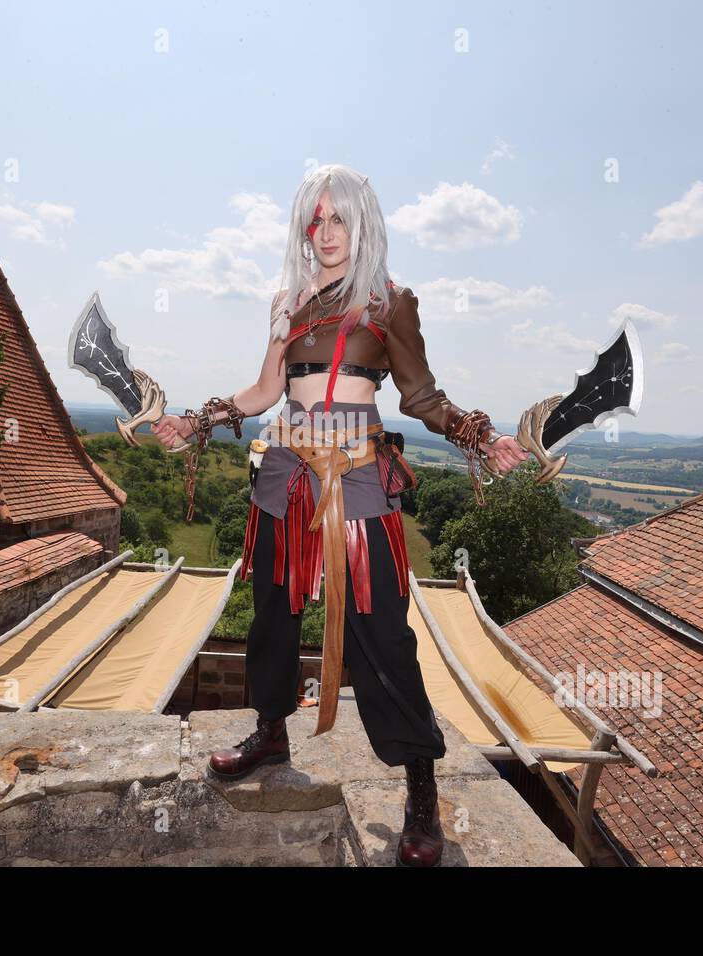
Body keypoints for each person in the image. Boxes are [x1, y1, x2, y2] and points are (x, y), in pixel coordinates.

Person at [151, 164, 528, 866]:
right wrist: (198, 419)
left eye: (338, 219)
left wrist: (481, 435)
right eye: (314, 220)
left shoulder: (389, 303)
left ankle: (419, 783)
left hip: (355, 477)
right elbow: (267, 389)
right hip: (285, 473)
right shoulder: (285, 302)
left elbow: (421, 396)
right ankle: (270, 732)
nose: (324, 232)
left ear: (363, 223)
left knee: (380, 628)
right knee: (269, 609)